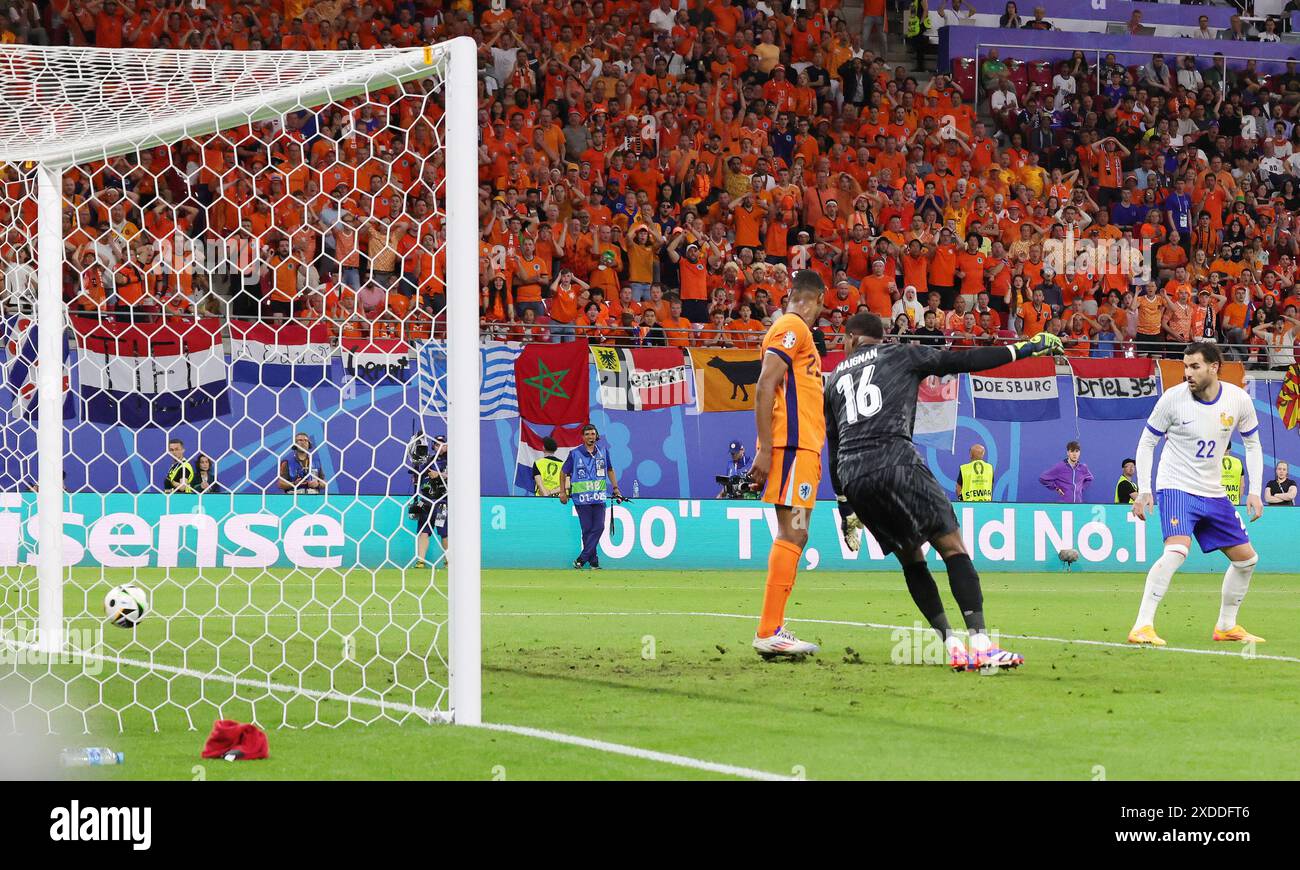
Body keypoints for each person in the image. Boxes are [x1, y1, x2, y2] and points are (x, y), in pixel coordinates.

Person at [826, 313, 1063, 670]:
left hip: (854, 476)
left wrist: (845, 509)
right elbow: (963, 361)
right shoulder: (899, 354)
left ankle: (952, 646)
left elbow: (833, 445)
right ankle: (981, 643)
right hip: (895, 459)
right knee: (951, 545)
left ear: (851, 338)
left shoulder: (833, 381)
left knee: (911, 557)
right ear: (879, 335)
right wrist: (1023, 349)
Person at [1129, 342, 1265, 647]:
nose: (1187, 373)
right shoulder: (1172, 400)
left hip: (1213, 491)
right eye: (1185, 366)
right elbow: (1146, 443)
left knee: (1247, 560)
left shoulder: (1238, 399)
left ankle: (1226, 626)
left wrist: (1254, 491)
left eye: (1194, 367)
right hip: (1176, 485)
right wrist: (1145, 490)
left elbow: (1253, 445)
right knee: (1177, 551)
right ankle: (1142, 626)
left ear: (1213, 367)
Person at [747, 270, 827, 659]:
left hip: (803, 447)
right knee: (793, 533)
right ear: (820, 300)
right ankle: (769, 630)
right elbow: (764, 384)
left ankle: (772, 629)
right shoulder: (792, 326)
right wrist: (764, 448)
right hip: (792, 446)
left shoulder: (796, 332)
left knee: (797, 534)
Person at [560, 423, 620, 570]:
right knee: (587, 530)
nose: (590, 437)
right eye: (587, 434)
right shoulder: (575, 453)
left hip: (599, 497)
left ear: (596, 436)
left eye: (592, 434)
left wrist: (616, 488)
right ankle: (594, 562)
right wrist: (562, 492)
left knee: (599, 527)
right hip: (581, 499)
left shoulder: (604, 452)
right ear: (582, 437)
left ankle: (582, 558)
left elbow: (610, 470)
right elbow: (563, 472)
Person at [411, 435, 448, 569]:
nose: (439, 447)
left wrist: (440, 475)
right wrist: (416, 476)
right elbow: (418, 473)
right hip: (426, 501)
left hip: (442, 503)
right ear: (433, 446)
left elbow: (456, 476)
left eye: (442, 444)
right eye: (437, 445)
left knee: (444, 532)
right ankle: (420, 561)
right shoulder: (429, 460)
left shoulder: (452, 460)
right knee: (423, 531)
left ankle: (448, 561)